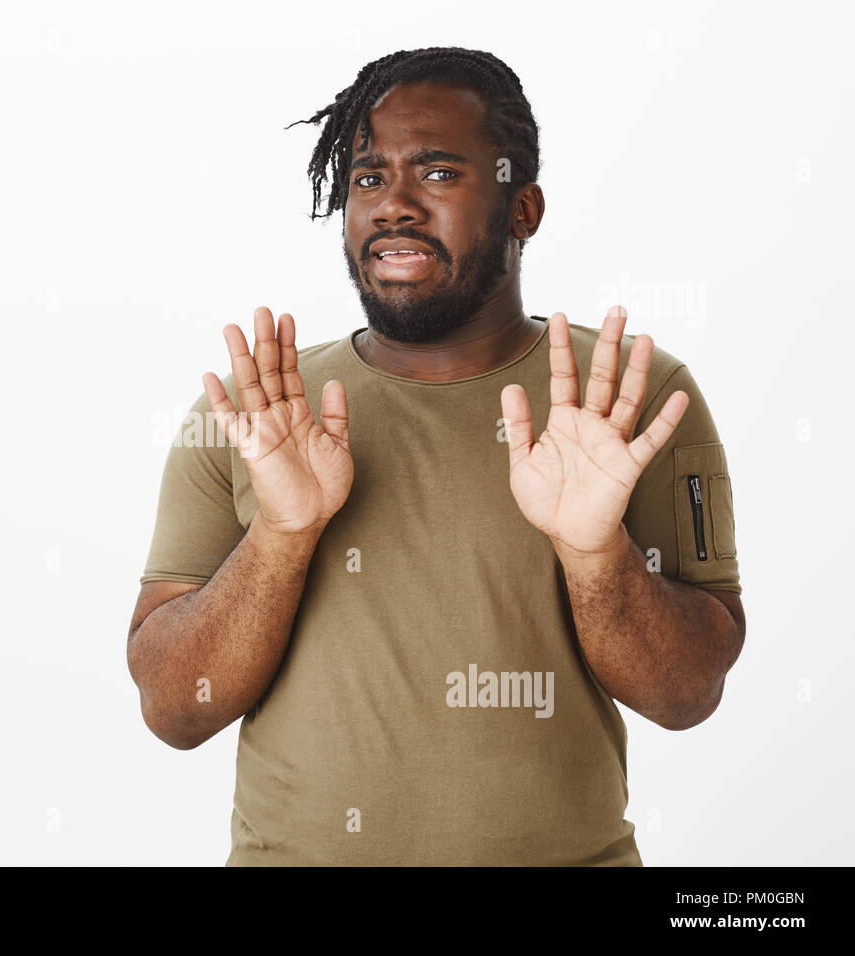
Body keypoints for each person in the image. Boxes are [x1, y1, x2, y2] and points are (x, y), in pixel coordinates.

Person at [125, 47, 745, 866]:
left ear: (523, 208)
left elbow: (687, 696)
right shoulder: (253, 412)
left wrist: (596, 554)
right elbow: (175, 712)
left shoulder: (626, 395)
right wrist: (280, 536)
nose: (393, 207)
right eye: (368, 178)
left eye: (439, 173)